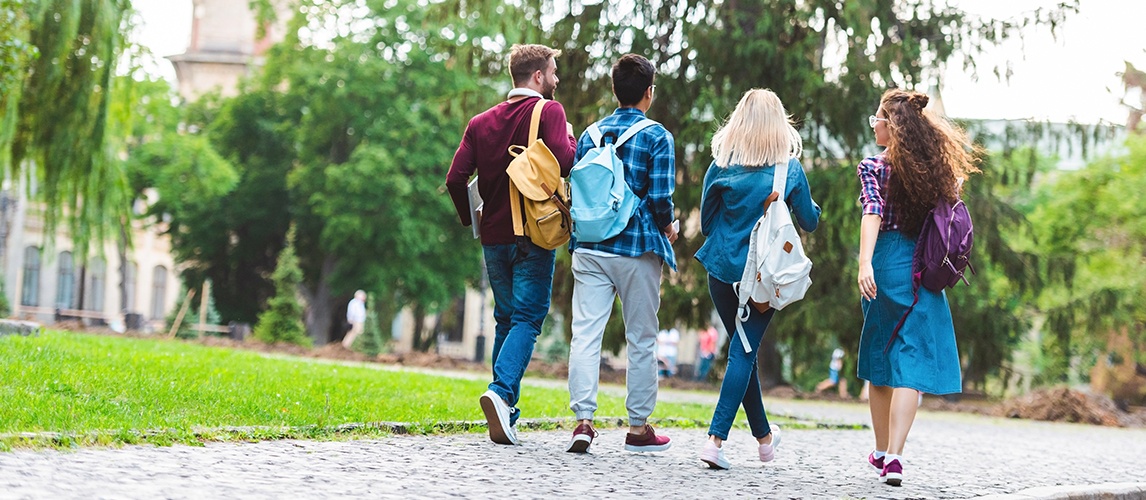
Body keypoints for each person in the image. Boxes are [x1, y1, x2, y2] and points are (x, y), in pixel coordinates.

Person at [445, 44, 577, 446]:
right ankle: (501, 393)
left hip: (494, 239)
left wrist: (473, 222)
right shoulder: (549, 112)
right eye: (553, 72)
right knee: (527, 319)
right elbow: (566, 162)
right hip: (533, 235)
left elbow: (454, 179)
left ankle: (507, 414)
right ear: (537, 76)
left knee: (506, 318)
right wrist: (569, 139)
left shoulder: (480, 122)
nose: (556, 79)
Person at [693, 89, 821, 470]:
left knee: (741, 351)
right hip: (763, 279)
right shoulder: (789, 170)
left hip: (721, 271)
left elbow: (705, 224)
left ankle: (765, 440)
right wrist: (806, 204)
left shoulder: (720, 165)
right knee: (743, 352)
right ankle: (714, 442)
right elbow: (809, 221)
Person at [856, 89, 978, 486]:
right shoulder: (936, 174)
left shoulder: (874, 167)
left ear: (891, 127)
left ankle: (879, 448)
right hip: (924, 270)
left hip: (886, 263)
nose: (874, 124)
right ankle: (894, 456)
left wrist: (863, 263)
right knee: (910, 362)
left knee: (880, 358)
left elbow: (872, 214)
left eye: (877, 118)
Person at [565, 53, 679, 454]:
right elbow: (661, 199)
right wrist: (668, 226)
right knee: (642, 339)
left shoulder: (589, 134)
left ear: (614, 90)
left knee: (586, 335)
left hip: (590, 246)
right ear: (649, 92)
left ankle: (582, 421)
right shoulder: (657, 136)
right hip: (636, 248)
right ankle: (637, 427)